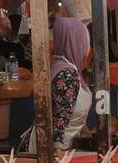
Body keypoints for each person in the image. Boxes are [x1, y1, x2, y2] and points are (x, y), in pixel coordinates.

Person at [23, 16, 92, 151]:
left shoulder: (62, 66)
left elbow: (67, 111)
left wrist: (85, 131)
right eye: (85, 40)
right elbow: (58, 125)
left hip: (60, 149)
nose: (88, 47)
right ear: (77, 42)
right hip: (55, 152)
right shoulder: (67, 74)